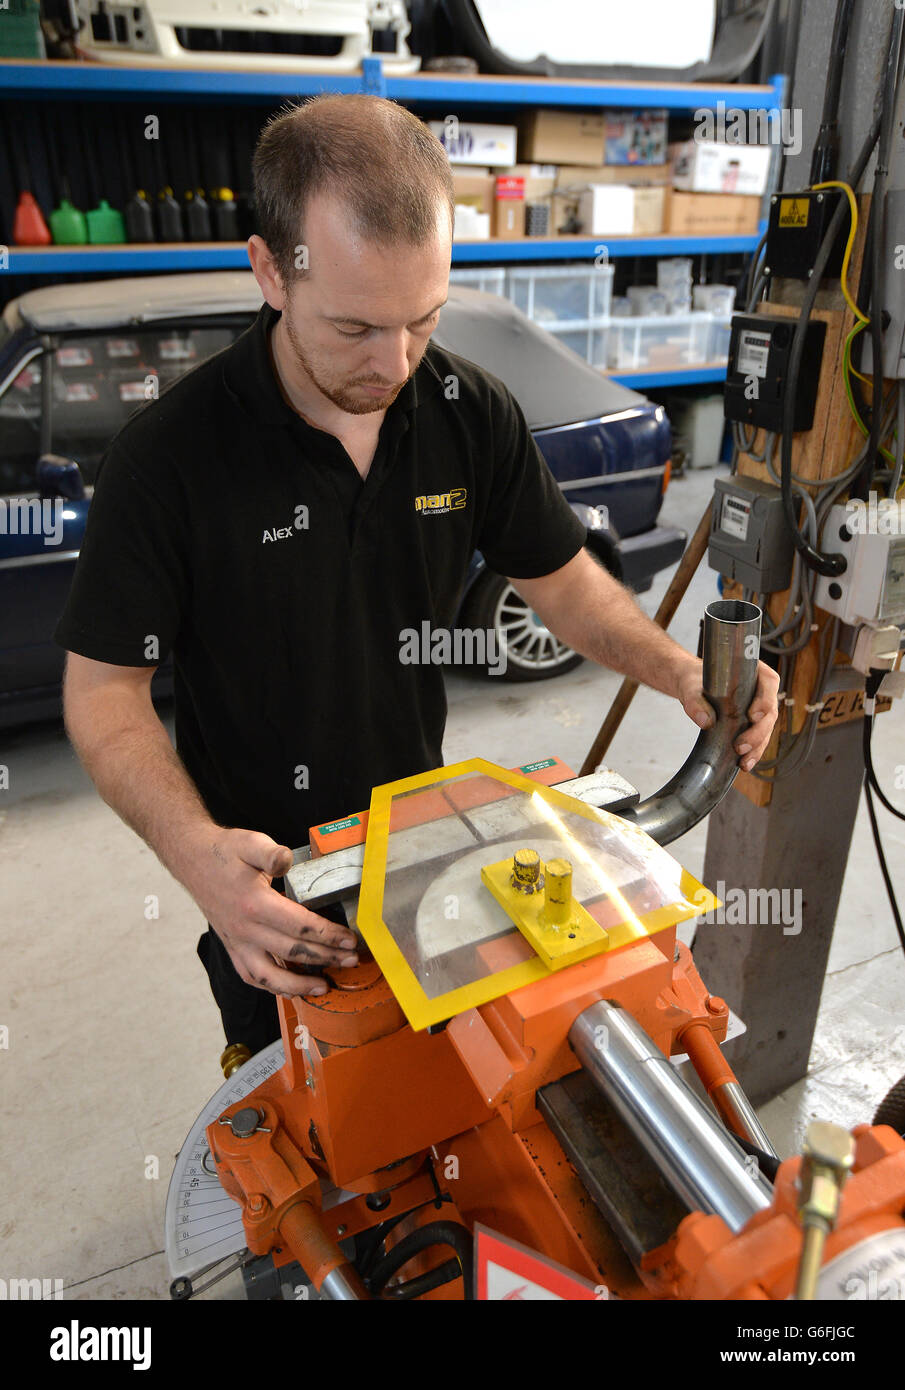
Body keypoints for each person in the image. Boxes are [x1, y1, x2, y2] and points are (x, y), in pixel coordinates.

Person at [55, 94, 779, 1059]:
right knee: (304, 1125)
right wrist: (197, 859)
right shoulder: (169, 459)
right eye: (353, 327)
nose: (394, 362)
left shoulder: (465, 411)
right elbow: (104, 694)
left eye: (423, 319)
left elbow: (561, 581)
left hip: (431, 849)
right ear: (271, 270)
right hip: (269, 882)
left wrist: (678, 672)